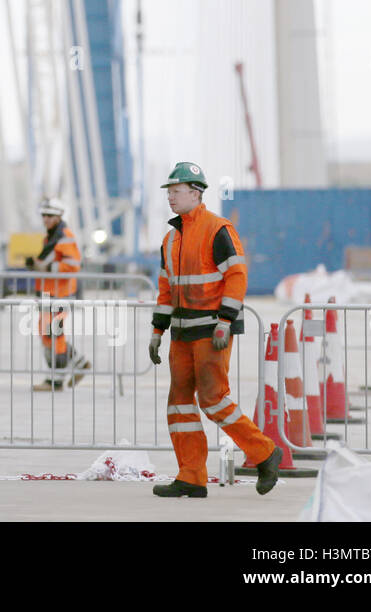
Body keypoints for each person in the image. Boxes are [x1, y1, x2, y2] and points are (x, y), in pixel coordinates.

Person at [148, 162, 281, 498]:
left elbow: (237, 276)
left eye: (176, 192)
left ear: (196, 193)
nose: (171, 198)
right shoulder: (170, 239)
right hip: (181, 334)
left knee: (213, 400)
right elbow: (166, 289)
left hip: (211, 331)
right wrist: (157, 331)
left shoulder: (217, 229)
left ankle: (265, 452)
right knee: (179, 404)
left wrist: (225, 320)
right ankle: (191, 476)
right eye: (169, 193)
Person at [27, 197, 90, 391]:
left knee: (55, 336)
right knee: (48, 335)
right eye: (44, 215)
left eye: (50, 215)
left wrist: (46, 266)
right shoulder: (51, 237)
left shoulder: (64, 236)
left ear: (59, 216)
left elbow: (73, 265)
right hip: (49, 295)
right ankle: (79, 364)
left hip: (60, 296)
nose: (45, 219)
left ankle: (55, 381)